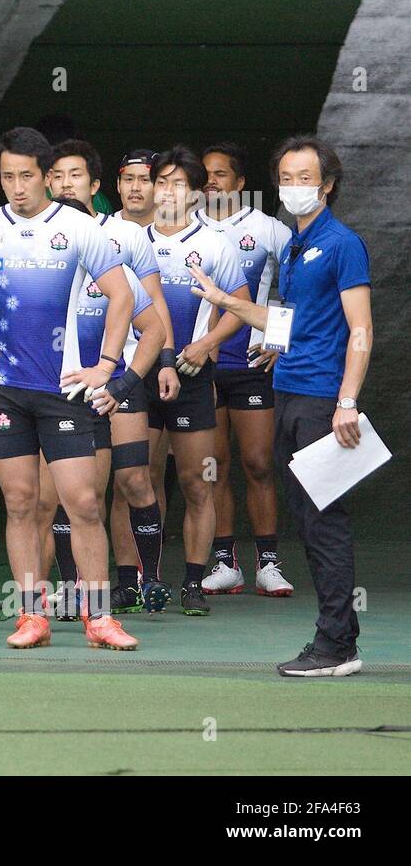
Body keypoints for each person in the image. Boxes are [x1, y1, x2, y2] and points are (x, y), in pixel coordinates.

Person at [0, 126, 139, 652]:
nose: (16, 186)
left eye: (26, 176)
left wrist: (105, 366)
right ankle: (31, 617)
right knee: (20, 503)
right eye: (7, 176)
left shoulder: (78, 228)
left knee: (83, 503)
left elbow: (121, 297)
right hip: (3, 389)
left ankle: (99, 619)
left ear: (47, 178)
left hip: (64, 390)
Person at [190, 135, 371, 678]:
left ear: (328, 184)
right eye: (286, 178)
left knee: (323, 521)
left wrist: (347, 401)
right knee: (308, 518)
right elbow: (287, 323)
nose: (294, 187)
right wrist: (233, 307)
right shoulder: (293, 246)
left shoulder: (342, 244)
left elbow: (360, 328)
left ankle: (336, 645)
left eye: (305, 177)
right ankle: (340, 640)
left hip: (322, 401)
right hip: (287, 391)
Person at [46, 140, 178, 617]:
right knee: (77, 491)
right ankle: (74, 587)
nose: (65, 184)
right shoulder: (36, 248)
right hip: (62, 389)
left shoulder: (124, 239)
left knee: (135, 481)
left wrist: (160, 363)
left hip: (119, 381)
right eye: (57, 175)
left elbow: (154, 313)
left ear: (96, 187)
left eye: (75, 175)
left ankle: (145, 580)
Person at [141, 146, 250, 616]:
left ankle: (192, 582)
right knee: (141, 481)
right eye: (160, 182)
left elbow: (241, 308)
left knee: (197, 482)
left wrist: (206, 346)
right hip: (139, 376)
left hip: (192, 376)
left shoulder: (216, 243)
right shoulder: (129, 240)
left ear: (195, 194)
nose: (167, 191)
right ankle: (147, 580)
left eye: (178, 183)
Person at [197, 142, 294, 598]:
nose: (211, 181)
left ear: (239, 183)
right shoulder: (187, 230)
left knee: (257, 463)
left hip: (252, 363)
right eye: (206, 174)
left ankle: (268, 563)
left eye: (221, 174)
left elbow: (301, 286)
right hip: (203, 367)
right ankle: (224, 561)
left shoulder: (270, 230)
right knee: (214, 466)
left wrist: (278, 337)